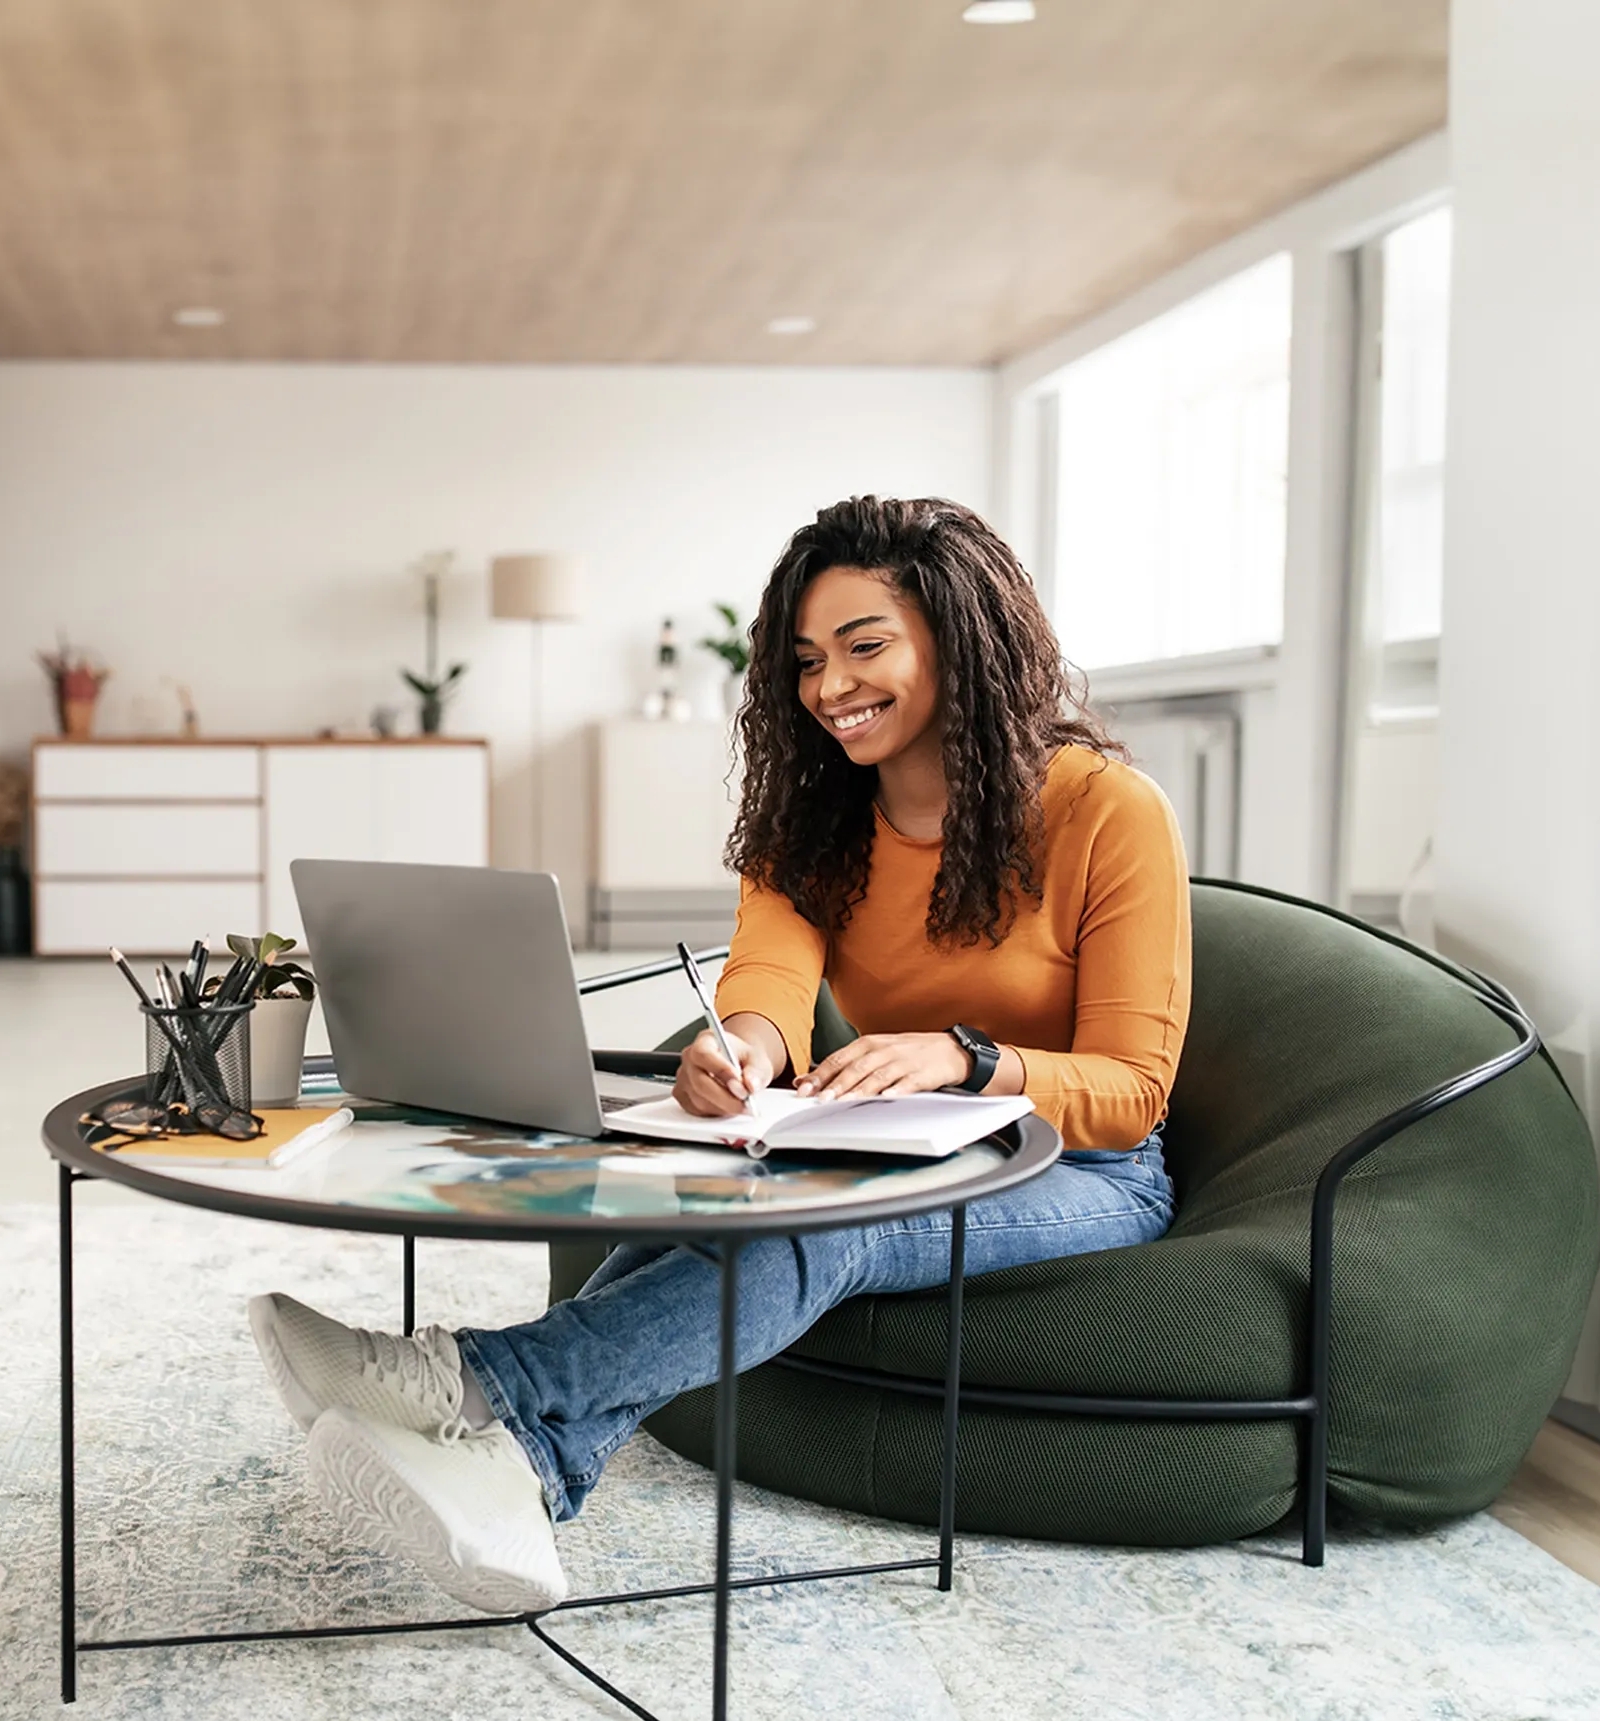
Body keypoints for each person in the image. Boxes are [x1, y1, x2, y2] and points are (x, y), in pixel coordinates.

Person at [248, 496, 1190, 1612]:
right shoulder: (816, 815)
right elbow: (773, 979)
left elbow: (1133, 1090)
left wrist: (966, 1058)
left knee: (824, 1234)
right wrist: (739, 1049)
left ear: (960, 631)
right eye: (805, 660)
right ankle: (530, 1471)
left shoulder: (1105, 811)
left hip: (1075, 1166)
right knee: (722, 1195)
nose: (830, 686)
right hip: (898, 1138)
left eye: (865, 645)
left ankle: (467, 1378)